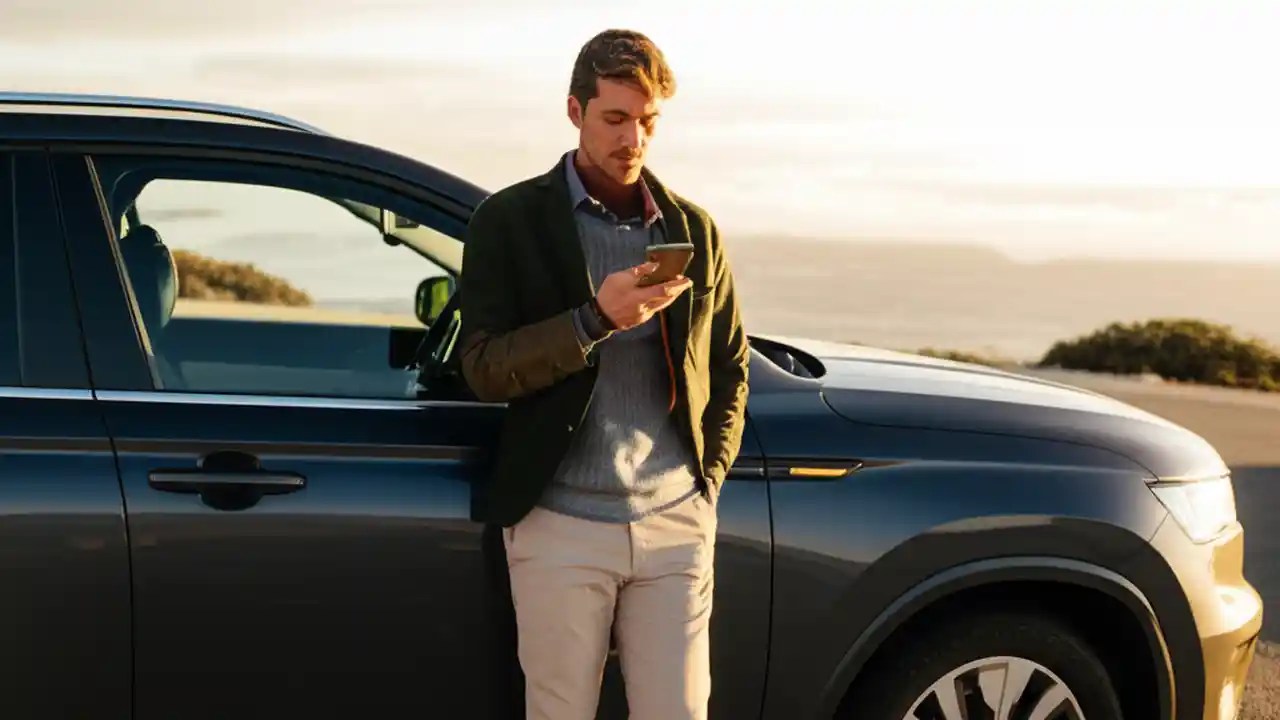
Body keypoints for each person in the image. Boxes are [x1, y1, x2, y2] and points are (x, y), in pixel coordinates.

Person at [459, 28, 750, 720]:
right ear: (574, 111)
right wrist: (594, 319)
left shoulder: (693, 230)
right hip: (559, 522)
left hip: (674, 522)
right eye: (615, 119)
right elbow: (484, 367)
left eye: (648, 123)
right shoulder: (509, 221)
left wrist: (707, 484)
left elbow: (730, 366)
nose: (633, 140)